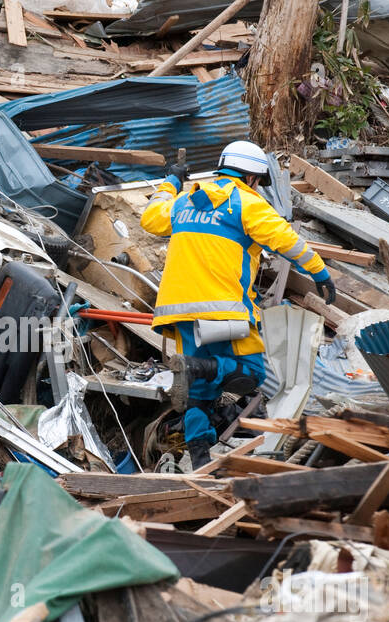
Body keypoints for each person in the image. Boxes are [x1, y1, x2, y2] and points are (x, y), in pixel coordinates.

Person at [140, 140, 335, 469]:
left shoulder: (185, 200)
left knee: (198, 394)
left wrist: (171, 182)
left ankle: (201, 464)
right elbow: (285, 239)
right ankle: (198, 369)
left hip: (179, 310)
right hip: (224, 310)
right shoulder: (247, 203)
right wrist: (319, 272)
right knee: (252, 373)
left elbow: (150, 219)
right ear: (253, 178)